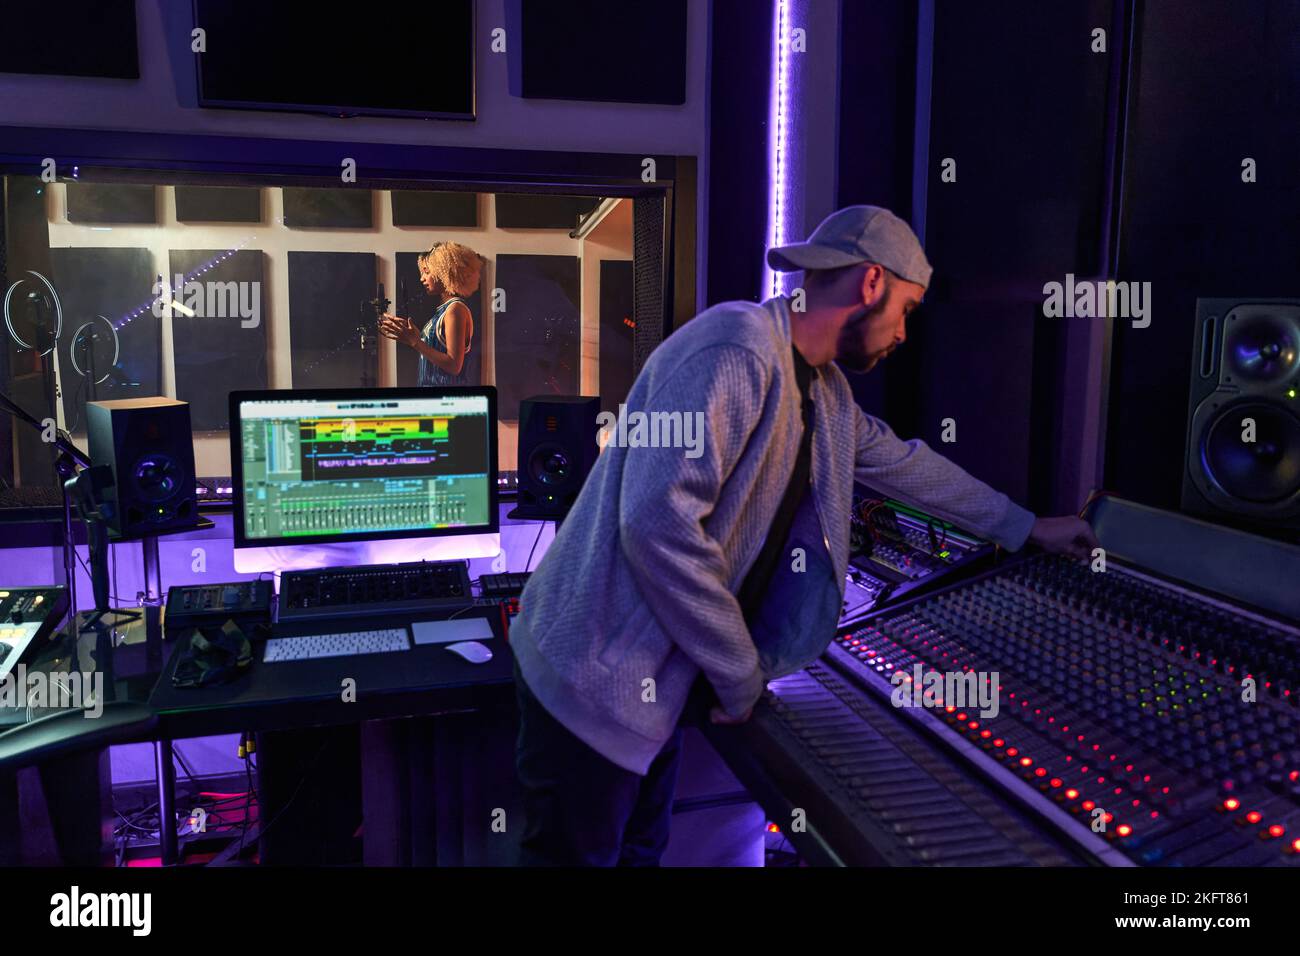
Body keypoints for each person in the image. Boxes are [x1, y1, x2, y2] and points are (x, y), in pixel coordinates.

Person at [510, 205, 1102, 866]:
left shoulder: (825, 394)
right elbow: (657, 526)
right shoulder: (735, 348)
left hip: (647, 693)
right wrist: (739, 674)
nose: (905, 333)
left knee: (638, 858)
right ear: (872, 283)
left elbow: (909, 465)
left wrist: (1026, 527)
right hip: (591, 681)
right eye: (907, 309)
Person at [379, 241, 482, 385]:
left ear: (444, 272)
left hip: (447, 402)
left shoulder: (455, 309)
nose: (422, 278)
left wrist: (415, 342)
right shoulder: (445, 310)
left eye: (427, 272)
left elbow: (454, 366)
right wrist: (409, 337)